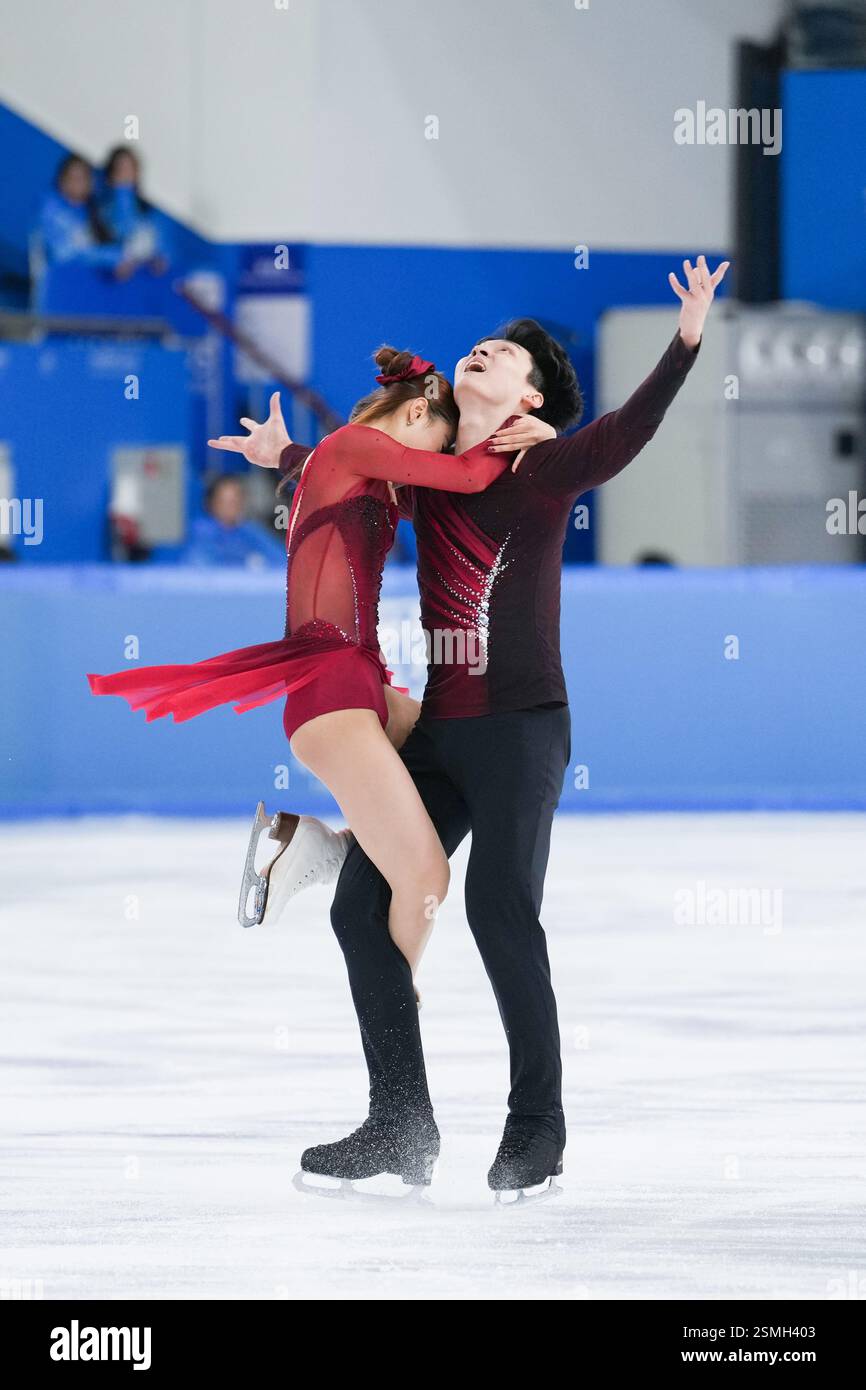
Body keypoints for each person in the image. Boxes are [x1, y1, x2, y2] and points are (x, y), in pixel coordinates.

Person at [237, 256, 730, 1196]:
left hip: (521, 730)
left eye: (501, 354)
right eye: (475, 346)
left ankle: (537, 1128)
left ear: (531, 393)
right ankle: (399, 1123)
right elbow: (354, 466)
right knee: (359, 915)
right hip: (445, 733)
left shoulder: (542, 465)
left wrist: (687, 341)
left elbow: (624, 436)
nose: (479, 353)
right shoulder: (431, 475)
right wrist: (287, 458)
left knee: (498, 907)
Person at [87, 348, 554, 1188]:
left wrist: (282, 456)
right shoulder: (359, 449)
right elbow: (467, 482)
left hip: (365, 686)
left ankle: (314, 848)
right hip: (334, 693)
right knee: (424, 879)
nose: (431, 464)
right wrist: (532, 440)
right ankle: (399, 1079)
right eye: (436, 443)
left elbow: (369, 477)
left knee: (459, 737)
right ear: (417, 416)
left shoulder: (345, 463)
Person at [38, 154, 124, 271]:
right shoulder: (51, 206)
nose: (76, 182)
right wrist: (115, 257)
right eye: (72, 177)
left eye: (82, 178)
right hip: (61, 278)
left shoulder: (95, 207)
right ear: (62, 180)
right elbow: (66, 253)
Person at [184, 474, 287, 569]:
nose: (233, 507)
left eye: (237, 501)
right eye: (227, 502)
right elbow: (199, 566)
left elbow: (282, 560)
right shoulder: (202, 531)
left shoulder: (250, 530)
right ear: (212, 503)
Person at [97, 146, 169, 277]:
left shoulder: (149, 208)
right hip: (111, 280)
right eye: (121, 169)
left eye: (131, 168)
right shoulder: (102, 207)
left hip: (143, 278)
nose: (127, 174)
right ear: (111, 173)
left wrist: (156, 257)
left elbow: (152, 242)